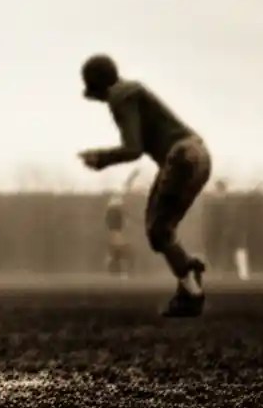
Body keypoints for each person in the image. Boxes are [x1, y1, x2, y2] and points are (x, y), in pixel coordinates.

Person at [77, 54, 211, 317]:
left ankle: (191, 291)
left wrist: (100, 158)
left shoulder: (120, 96)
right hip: (200, 156)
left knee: (158, 230)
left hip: (181, 155)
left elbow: (133, 149)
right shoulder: (131, 90)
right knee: (162, 229)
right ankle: (189, 277)